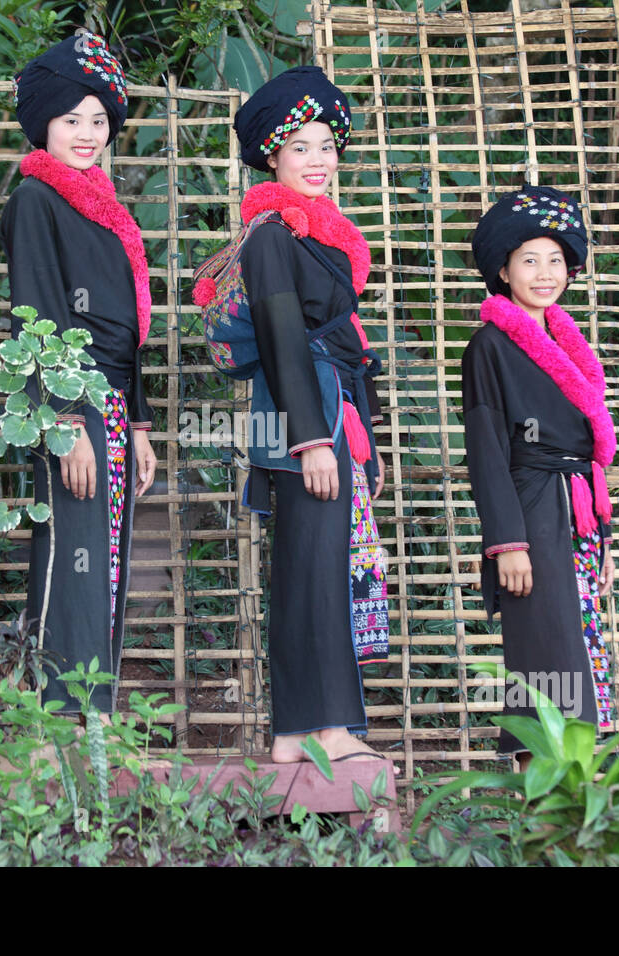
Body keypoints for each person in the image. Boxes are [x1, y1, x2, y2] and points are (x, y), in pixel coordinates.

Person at [231, 66, 391, 767]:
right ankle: (324, 728)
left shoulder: (325, 236)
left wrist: (367, 449)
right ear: (273, 156)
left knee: (316, 566)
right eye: (301, 146)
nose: (318, 159)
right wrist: (311, 442)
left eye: (327, 145)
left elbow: (350, 348)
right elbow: (280, 338)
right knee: (312, 569)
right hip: (300, 422)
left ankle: (296, 733)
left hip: (334, 418)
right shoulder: (271, 234)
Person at [0, 31, 157, 715]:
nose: (88, 133)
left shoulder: (107, 211)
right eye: (72, 120)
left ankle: (100, 718)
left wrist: (140, 425)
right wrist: (64, 424)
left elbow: (129, 332)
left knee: (108, 565)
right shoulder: (37, 201)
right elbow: (37, 315)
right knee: (73, 558)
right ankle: (62, 724)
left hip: (114, 408)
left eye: (99, 120)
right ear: (44, 126)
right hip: (70, 406)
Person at [462, 185, 616, 767]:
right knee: (546, 649)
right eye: (529, 260)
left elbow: (590, 458)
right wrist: (508, 542)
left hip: (578, 513)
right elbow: (486, 452)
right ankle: (548, 789)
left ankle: (570, 792)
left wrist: (601, 540)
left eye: (556, 259)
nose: (544, 273)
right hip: (529, 510)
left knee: (578, 645)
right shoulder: (488, 348)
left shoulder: (568, 346)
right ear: (503, 270)